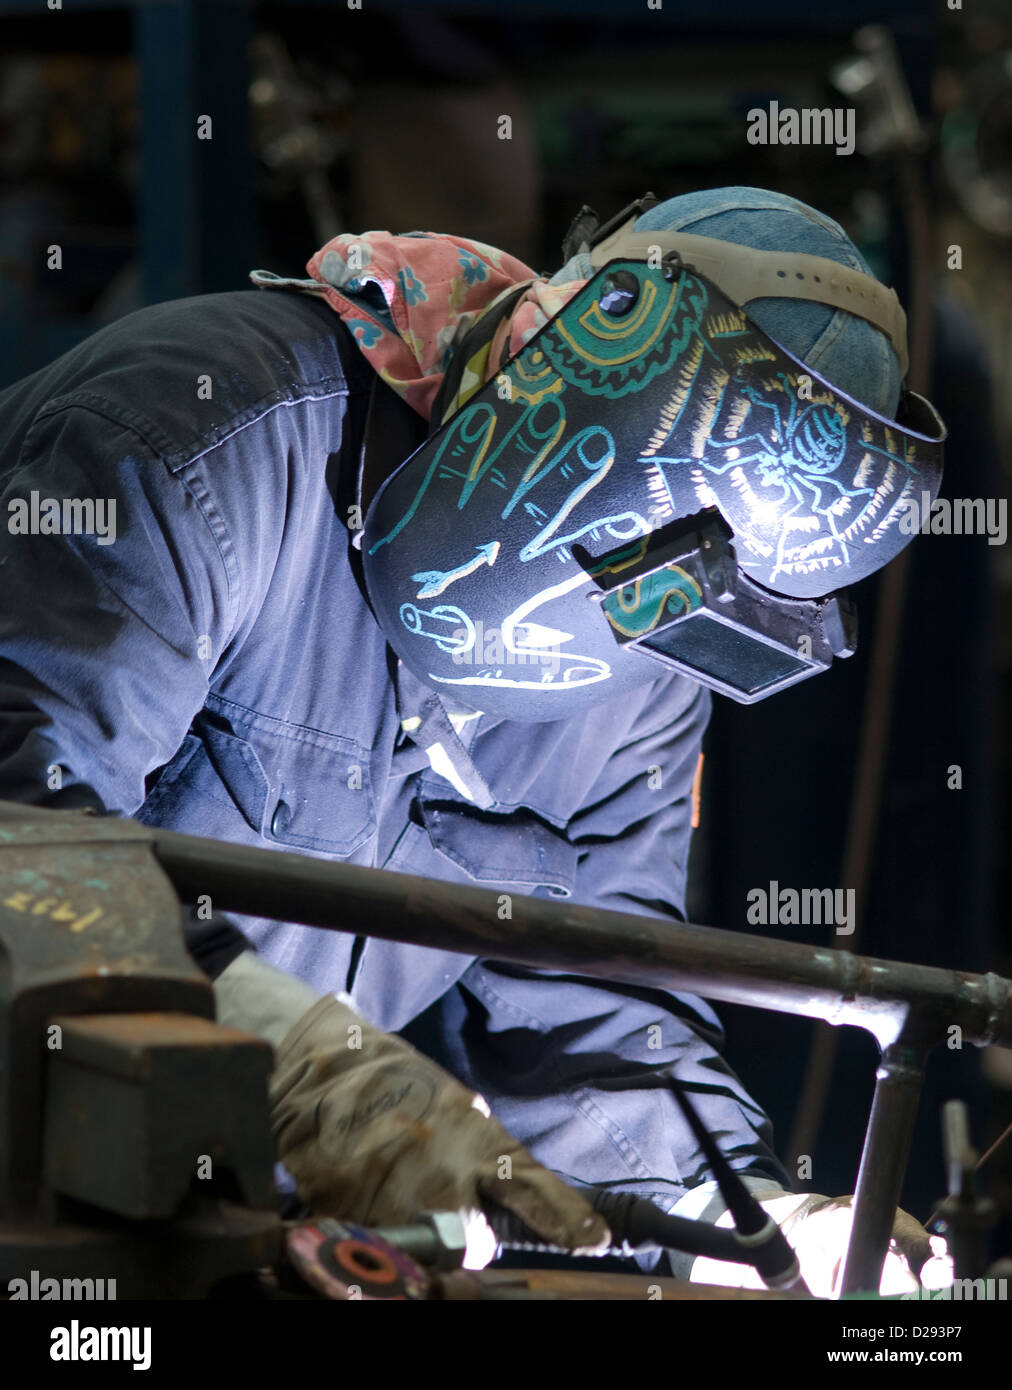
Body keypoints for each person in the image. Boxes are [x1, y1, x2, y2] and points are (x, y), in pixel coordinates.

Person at [0, 186, 945, 1295]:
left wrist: (750, 1219)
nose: (637, 610)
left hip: (215, 1224)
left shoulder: (641, 661)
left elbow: (596, 996)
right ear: (579, 355)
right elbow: (23, 834)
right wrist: (306, 1074)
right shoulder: (204, 440)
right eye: (644, 545)